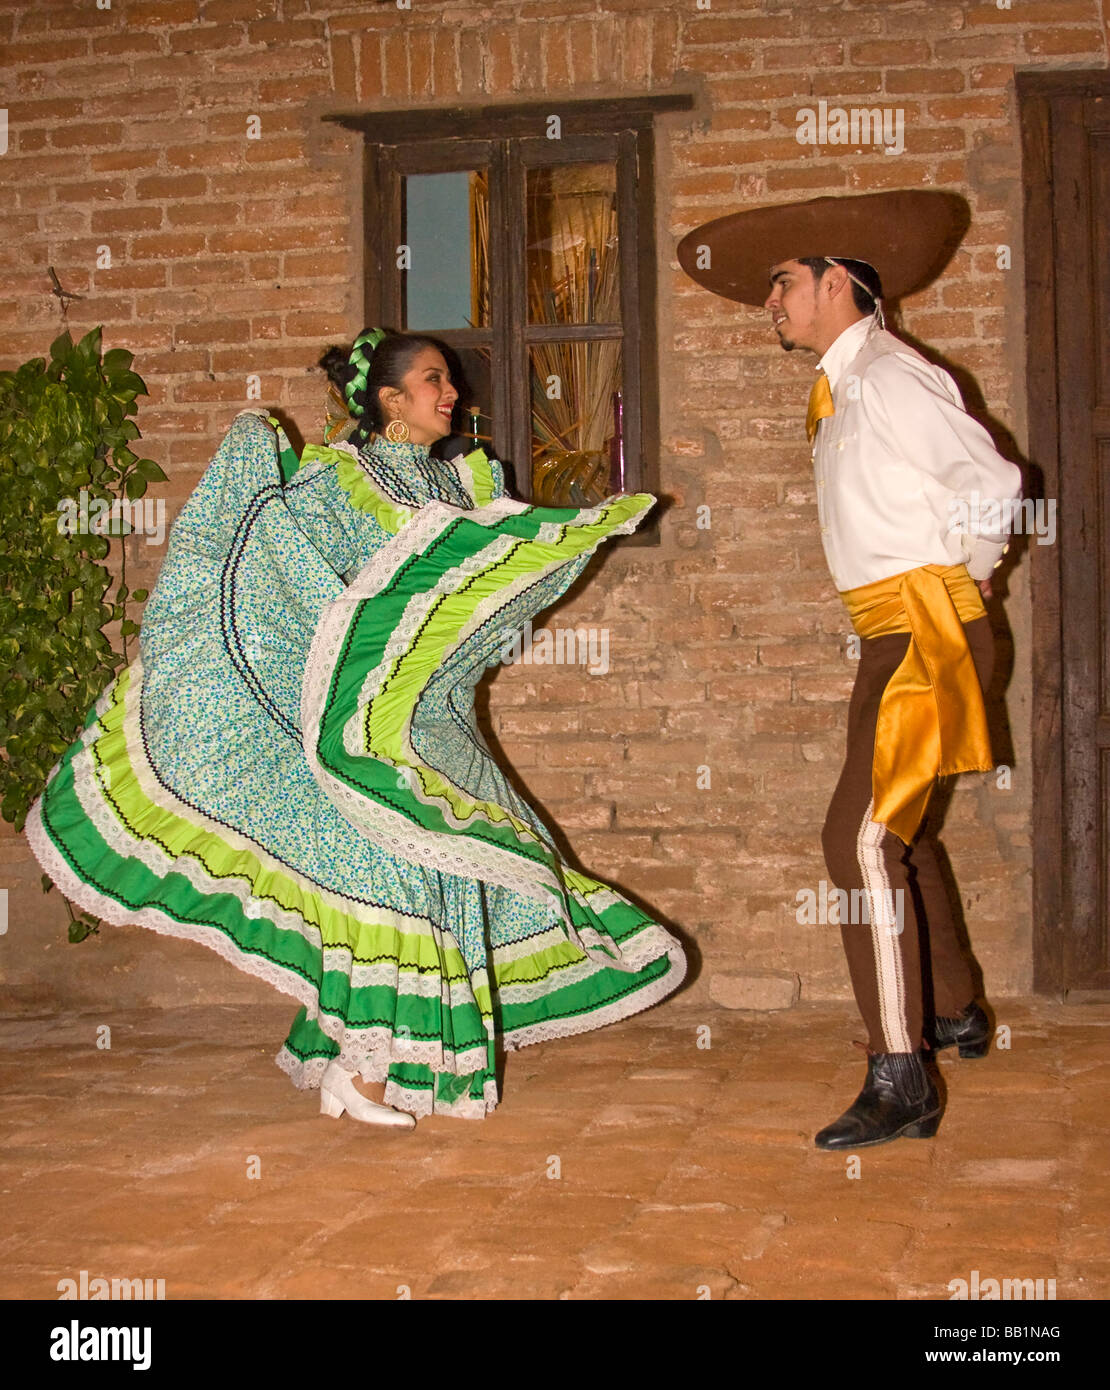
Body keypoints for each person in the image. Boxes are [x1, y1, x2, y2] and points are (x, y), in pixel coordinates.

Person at [27, 327, 687, 1127]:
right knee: (395, 881)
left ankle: (365, 1059)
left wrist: (566, 536)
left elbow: (474, 594)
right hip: (359, 729)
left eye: (450, 382)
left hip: (433, 719)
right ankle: (366, 1072)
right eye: (436, 381)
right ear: (390, 400)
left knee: (462, 873)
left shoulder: (463, 486)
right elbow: (292, 578)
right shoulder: (339, 482)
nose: (453, 396)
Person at [678, 191, 1023, 1148]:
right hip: (895, 633)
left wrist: (960, 594)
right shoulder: (844, 385)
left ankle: (899, 1070)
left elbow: (992, 486)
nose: (771, 303)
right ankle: (954, 1011)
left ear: (838, 282)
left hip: (924, 630)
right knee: (893, 832)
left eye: (783, 283)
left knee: (858, 843)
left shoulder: (889, 377)